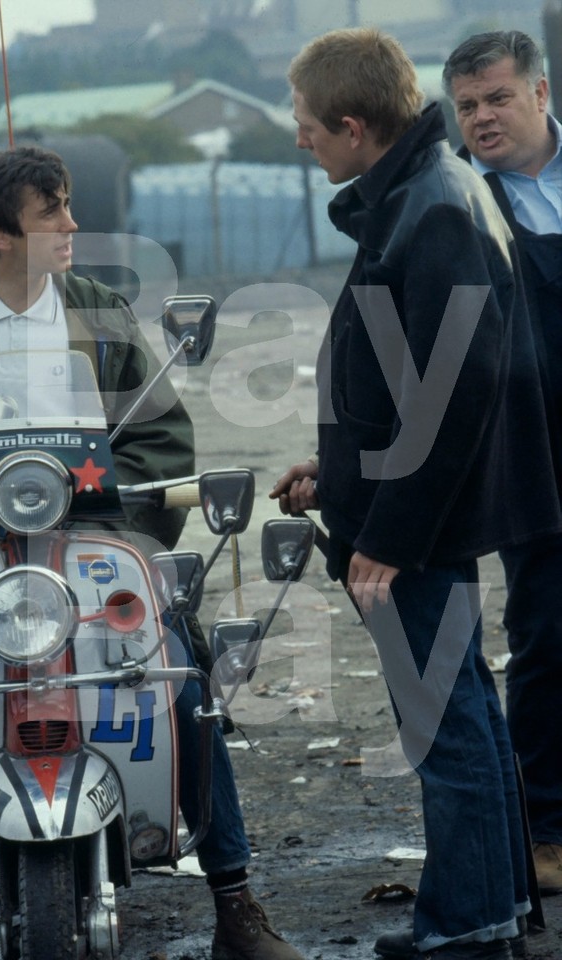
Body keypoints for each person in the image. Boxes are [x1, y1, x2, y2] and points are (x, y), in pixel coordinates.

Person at [0, 146, 304, 960]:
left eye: (69, 205)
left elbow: (157, 428)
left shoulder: (99, 313)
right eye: (52, 212)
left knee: (182, 684)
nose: (73, 224)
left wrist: (122, 508)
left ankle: (235, 901)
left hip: (92, 542)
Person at [272, 27, 562, 960]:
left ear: (353, 126)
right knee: (462, 711)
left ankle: (467, 929)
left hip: (416, 530)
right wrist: (336, 472)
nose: (300, 137)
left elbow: (458, 389)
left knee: (447, 726)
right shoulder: (420, 195)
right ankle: (491, 911)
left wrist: (388, 536)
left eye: (307, 123)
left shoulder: (429, 208)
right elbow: (405, 381)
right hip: (411, 513)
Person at [442, 29, 562, 898]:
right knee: (547, 636)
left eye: (496, 98)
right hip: (535, 457)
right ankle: (547, 828)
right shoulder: (459, 203)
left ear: (540, 93)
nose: (481, 118)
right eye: (466, 107)